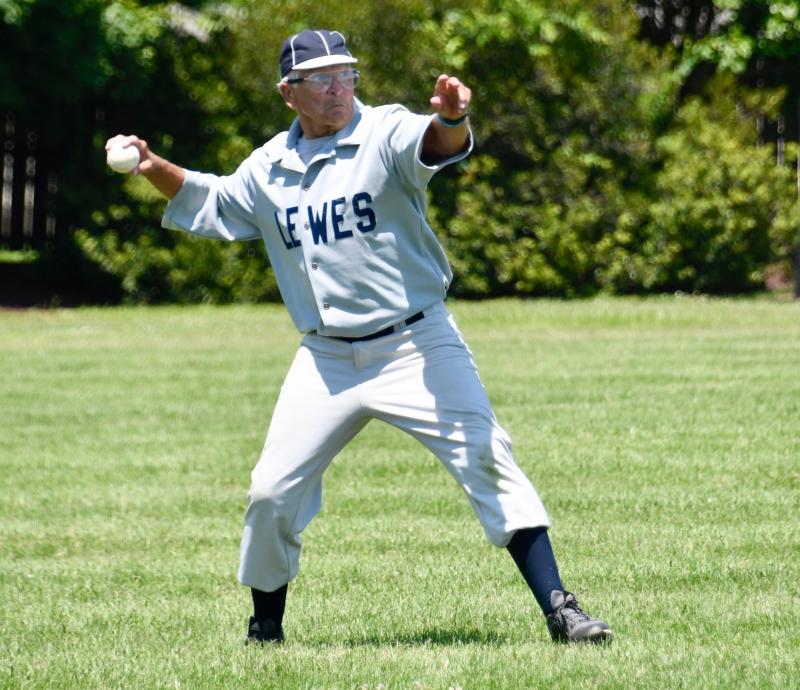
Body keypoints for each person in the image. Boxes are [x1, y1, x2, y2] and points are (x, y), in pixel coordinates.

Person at [106, 28, 611, 645]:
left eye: (345, 72)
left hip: (416, 343)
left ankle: (562, 608)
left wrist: (453, 116)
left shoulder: (385, 130)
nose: (338, 86)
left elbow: (435, 143)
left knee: (485, 455)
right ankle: (265, 629)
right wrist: (152, 165)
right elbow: (212, 201)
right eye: (320, 78)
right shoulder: (270, 167)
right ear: (288, 93)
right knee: (270, 491)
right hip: (326, 359)